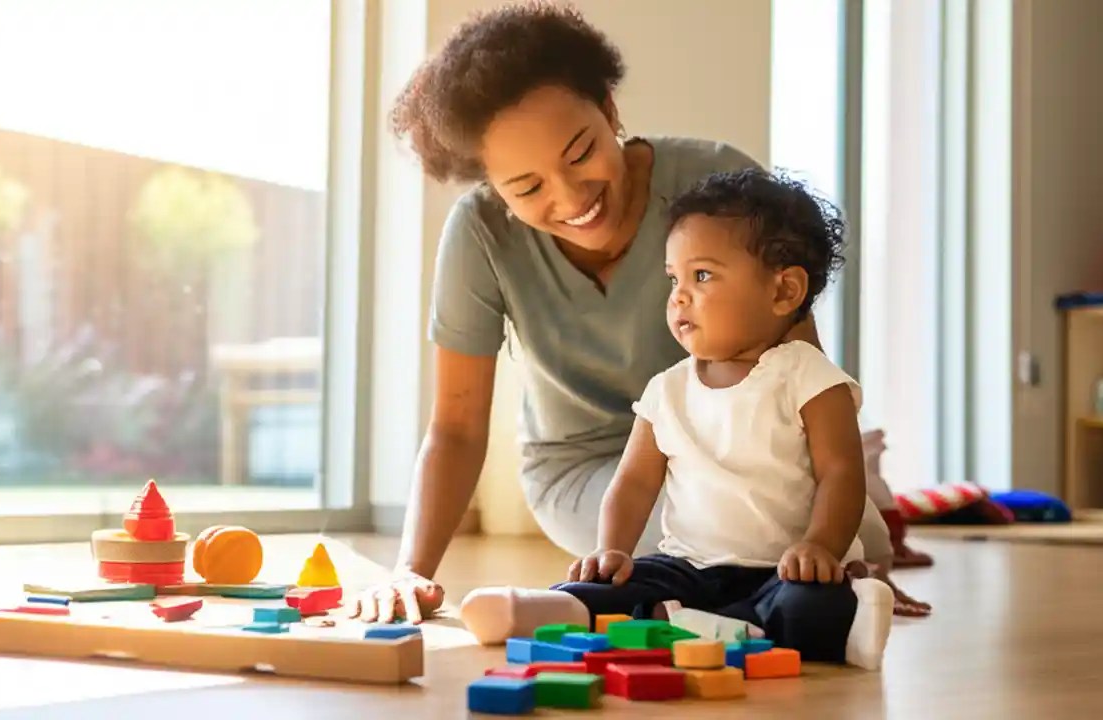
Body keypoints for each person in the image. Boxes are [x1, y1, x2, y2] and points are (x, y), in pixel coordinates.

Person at [344, 1, 928, 625]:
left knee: (822, 517)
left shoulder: (714, 183)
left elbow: (795, 363)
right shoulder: (480, 235)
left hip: (743, 438)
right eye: (528, 187)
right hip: (586, 467)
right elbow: (457, 430)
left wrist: (840, 534)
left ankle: (856, 503)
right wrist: (411, 571)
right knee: (707, 533)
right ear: (494, 188)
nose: (570, 196)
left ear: (610, 112)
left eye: (580, 151)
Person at [552, 167, 893, 669]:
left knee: (812, 607)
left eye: (703, 275)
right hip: (688, 568)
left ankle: (707, 623)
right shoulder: (666, 388)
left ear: (783, 292)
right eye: (675, 278)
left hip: (782, 572)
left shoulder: (808, 377)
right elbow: (632, 483)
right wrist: (611, 552)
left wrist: (820, 546)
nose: (679, 296)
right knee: (594, 591)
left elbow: (842, 473)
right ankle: (724, 624)